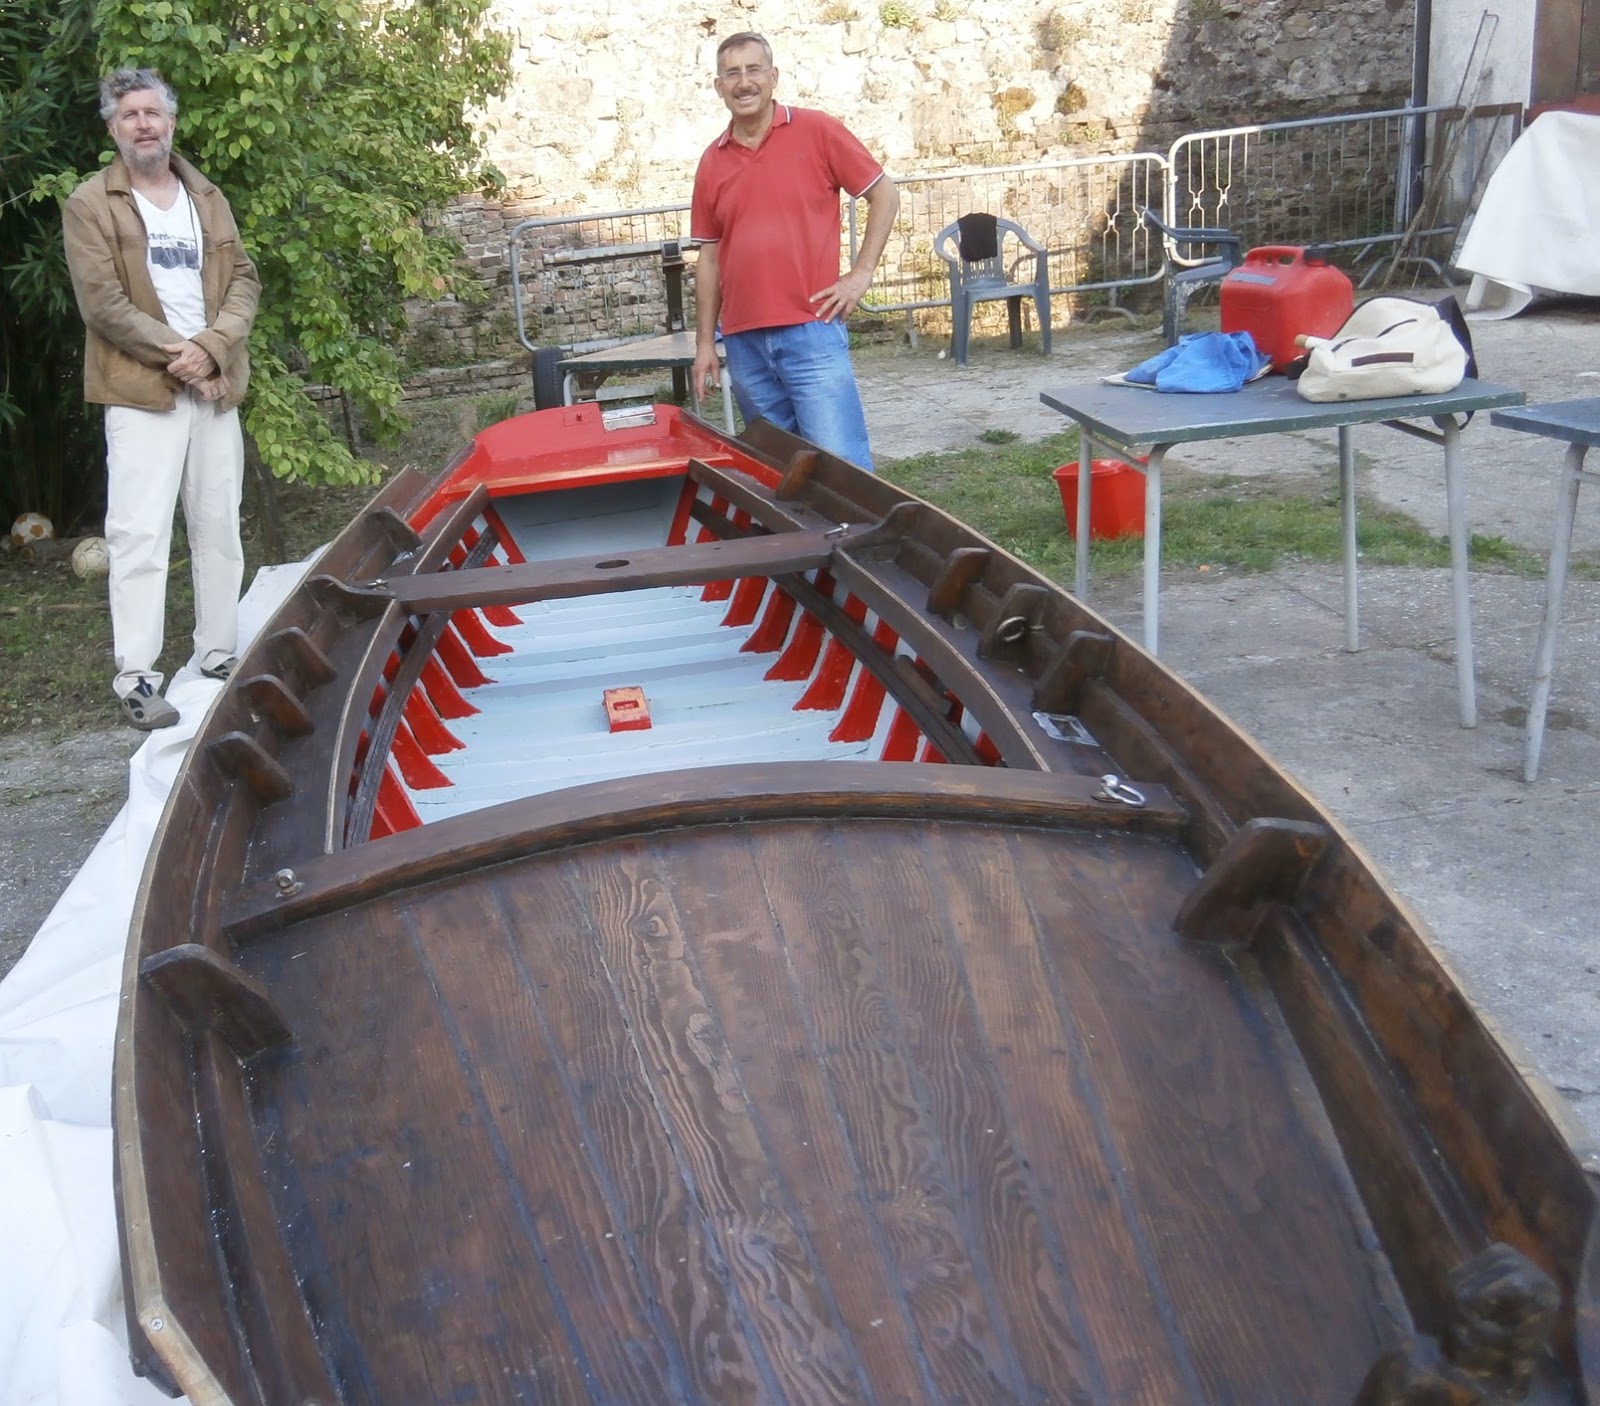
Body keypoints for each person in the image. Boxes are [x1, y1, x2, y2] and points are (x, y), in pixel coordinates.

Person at [62, 67, 260, 730]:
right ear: (112, 128)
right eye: (129, 115)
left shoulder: (205, 194)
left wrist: (214, 347)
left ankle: (217, 654)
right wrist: (185, 358)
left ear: (170, 121)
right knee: (139, 536)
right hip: (142, 390)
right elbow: (104, 305)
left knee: (218, 527)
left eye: (152, 112)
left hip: (215, 386)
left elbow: (244, 283)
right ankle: (139, 678)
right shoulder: (91, 203)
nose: (143, 124)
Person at [691, 32, 899, 470]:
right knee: (777, 470)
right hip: (744, 340)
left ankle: (857, 541)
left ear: (773, 77)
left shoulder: (817, 130)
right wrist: (705, 344)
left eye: (753, 70)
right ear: (718, 86)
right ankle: (805, 542)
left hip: (811, 328)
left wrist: (861, 274)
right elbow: (709, 260)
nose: (743, 82)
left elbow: (885, 194)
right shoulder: (712, 161)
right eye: (732, 73)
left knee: (842, 469)